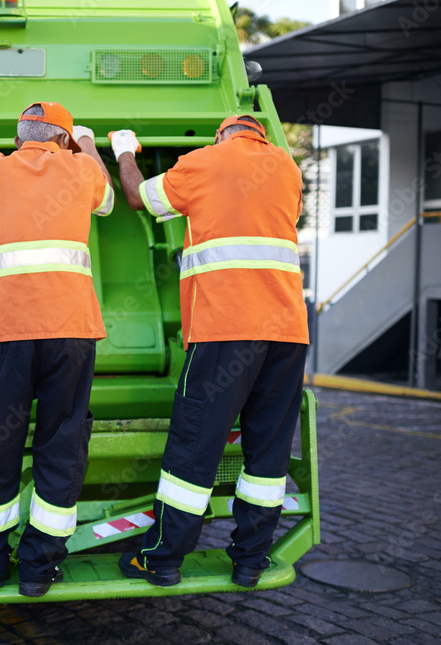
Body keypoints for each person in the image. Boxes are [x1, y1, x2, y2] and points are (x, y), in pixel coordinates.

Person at [109, 115, 308, 588]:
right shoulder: (286, 168)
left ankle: (162, 559)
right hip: (287, 333)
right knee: (268, 453)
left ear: (221, 135)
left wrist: (123, 151)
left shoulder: (204, 162)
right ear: (259, 135)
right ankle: (250, 561)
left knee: (196, 447)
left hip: (224, 331)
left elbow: (138, 197)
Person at [0, 102, 114, 597]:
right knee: (62, 440)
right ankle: (39, 566)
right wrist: (91, 145)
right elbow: (108, 197)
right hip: (70, 331)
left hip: (9, 334)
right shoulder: (80, 168)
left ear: (18, 138)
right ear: (64, 140)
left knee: (0, 441)